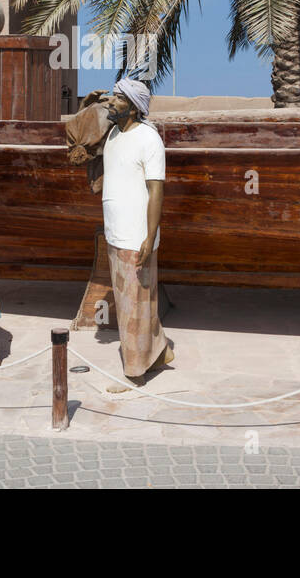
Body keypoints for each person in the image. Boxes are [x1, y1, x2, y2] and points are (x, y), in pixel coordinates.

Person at [100, 78, 173, 391]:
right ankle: (159, 351)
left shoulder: (149, 139)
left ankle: (135, 372)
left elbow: (156, 190)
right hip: (115, 232)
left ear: (132, 106)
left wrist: (149, 236)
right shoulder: (114, 133)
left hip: (136, 236)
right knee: (131, 301)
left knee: (135, 307)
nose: (110, 101)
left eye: (117, 98)